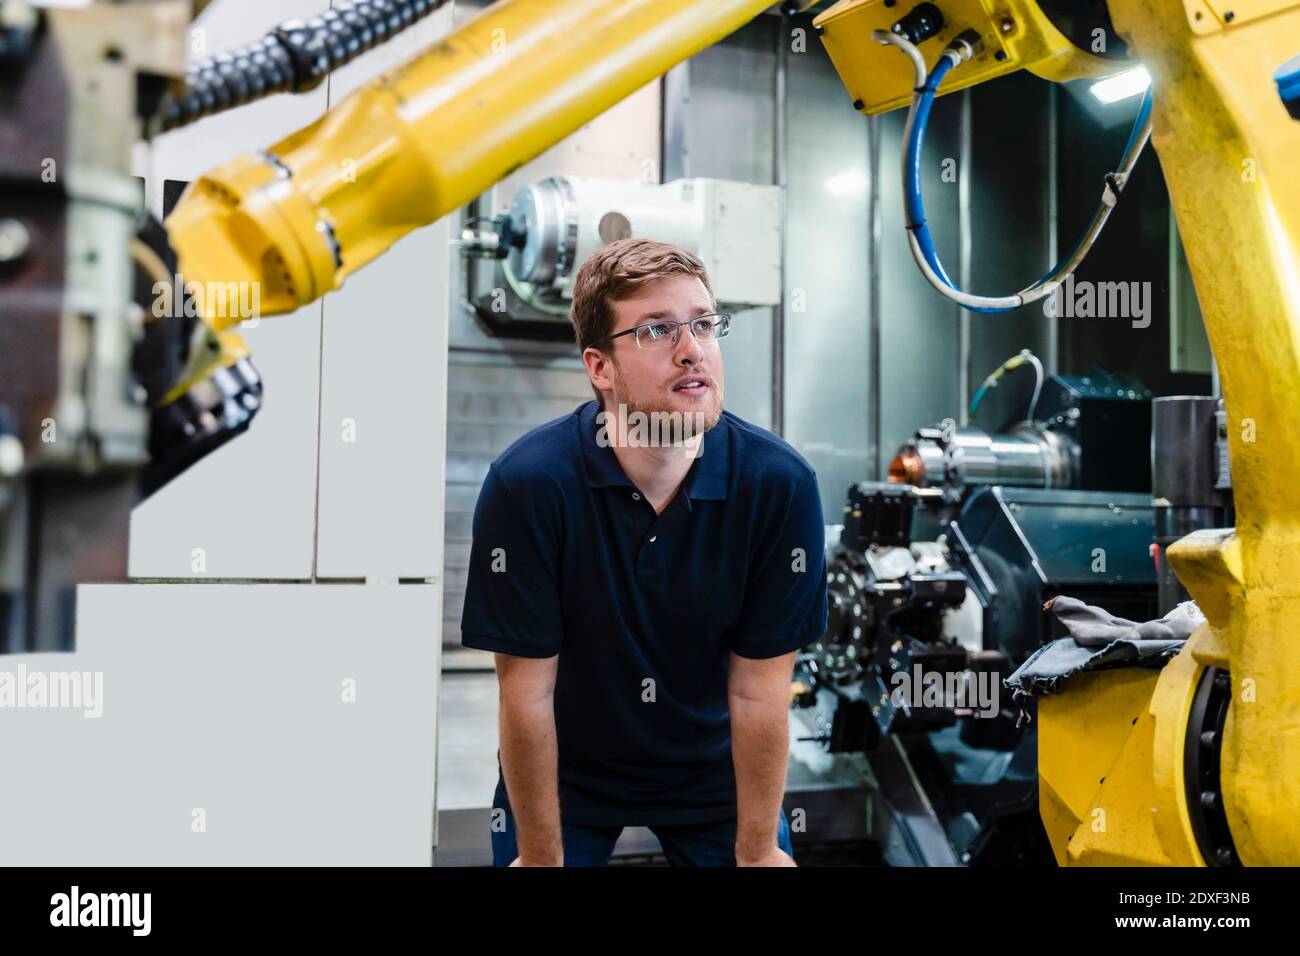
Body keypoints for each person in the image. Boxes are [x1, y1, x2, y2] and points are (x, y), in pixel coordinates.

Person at [460, 237, 827, 866]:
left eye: (704, 325)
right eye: (657, 331)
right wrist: (542, 860)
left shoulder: (779, 485)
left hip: (715, 772)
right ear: (600, 368)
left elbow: (760, 692)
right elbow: (526, 695)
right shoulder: (529, 485)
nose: (693, 351)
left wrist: (760, 850)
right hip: (567, 773)